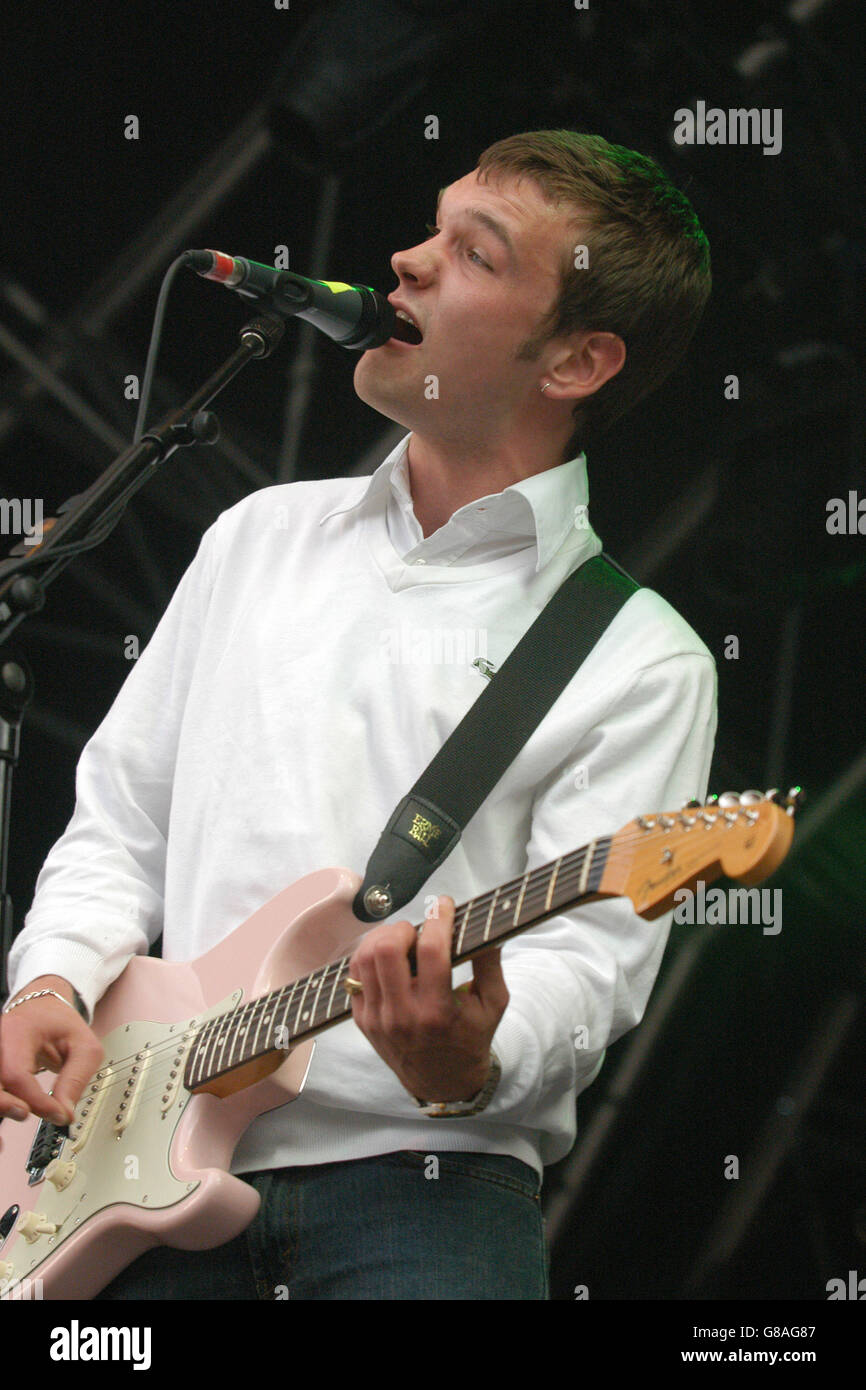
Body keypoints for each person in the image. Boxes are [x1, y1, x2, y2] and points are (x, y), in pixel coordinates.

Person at [0, 130, 717, 1300]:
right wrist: (52, 982)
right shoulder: (258, 536)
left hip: (422, 1200)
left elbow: (585, 967)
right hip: (120, 1175)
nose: (407, 261)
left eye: (474, 253)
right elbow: (120, 823)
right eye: (432, 228)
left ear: (576, 361)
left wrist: (471, 1054)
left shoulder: (640, 659)